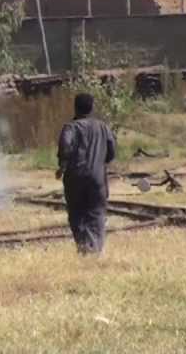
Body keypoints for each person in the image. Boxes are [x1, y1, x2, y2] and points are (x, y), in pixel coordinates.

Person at [56, 92, 116, 254]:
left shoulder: (70, 127)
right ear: (92, 107)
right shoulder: (103, 127)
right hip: (97, 179)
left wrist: (62, 166)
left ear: (75, 107)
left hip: (75, 178)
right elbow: (111, 152)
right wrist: (101, 163)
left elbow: (65, 147)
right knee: (96, 213)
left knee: (77, 213)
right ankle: (95, 248)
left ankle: (84, 247)